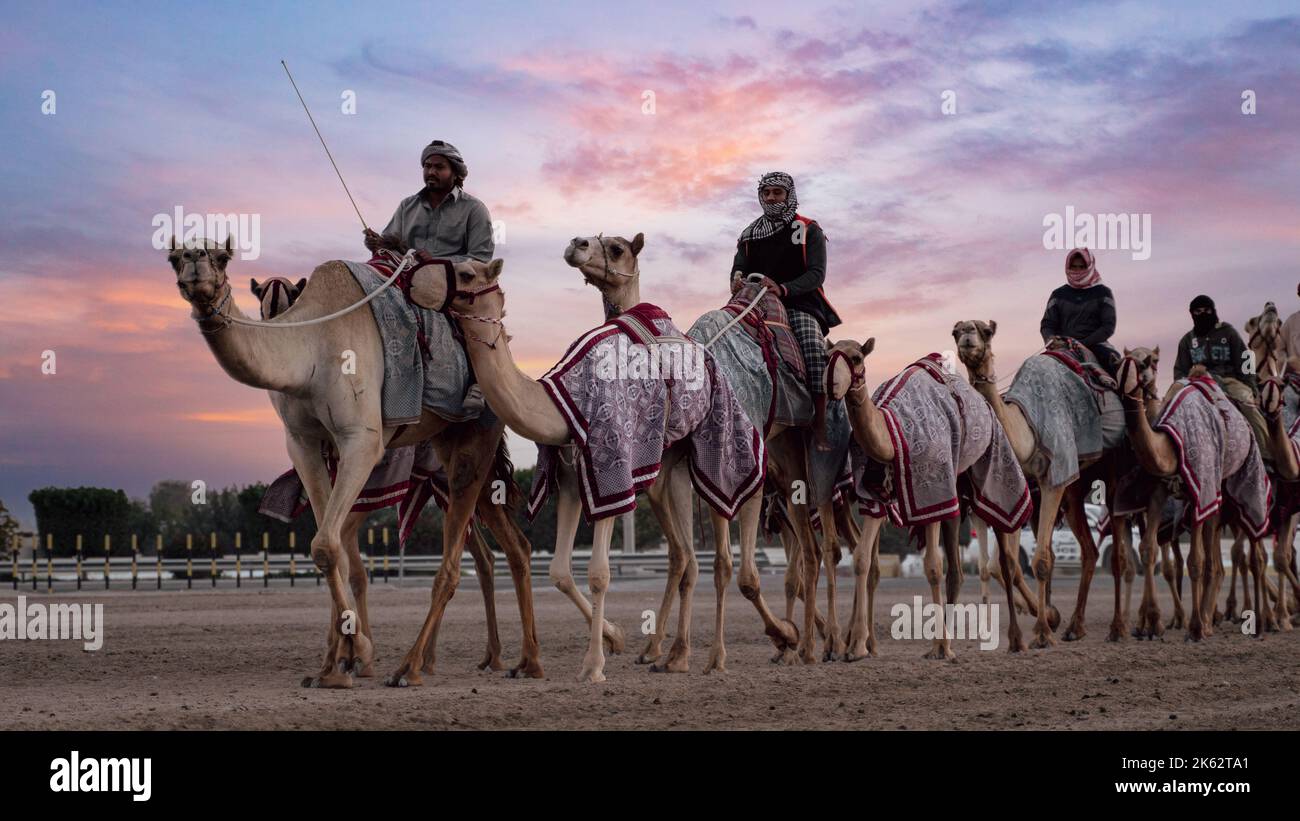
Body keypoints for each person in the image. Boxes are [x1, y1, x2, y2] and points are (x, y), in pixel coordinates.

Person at [365, 139, 494, 411]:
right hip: (407, 280)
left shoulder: (474, 209)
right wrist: (378, 243)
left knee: (477, 326)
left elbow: (481, 258)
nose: (430, 172)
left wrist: (438, 262)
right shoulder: (407, 206)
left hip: (455, 284)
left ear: (456, 173)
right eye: (426, 166)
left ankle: (481, 384)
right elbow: (392, 242)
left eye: (439, 167)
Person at [731, 171, 842, 450]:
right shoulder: (749, 234)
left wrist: (782, 288)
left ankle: (819, 426)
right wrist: (736, 278)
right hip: (756, 302)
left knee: (813, 349)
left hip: (798, 303)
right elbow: (739, 266)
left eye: (777, 193)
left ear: (789, 195)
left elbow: (817, 274)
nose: (771, 198)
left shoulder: (808, 229)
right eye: (766, 193)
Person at [1174, 294, 1268, 453]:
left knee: (1249, 406)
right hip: (1197, 382)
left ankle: (1265, 455)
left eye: (1207, 310)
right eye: (1198, 312)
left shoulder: (1228, 332)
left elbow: (1246, 360)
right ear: (1192, 314)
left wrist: (1252, 389)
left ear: (1213, 310)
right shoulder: (1187, 340)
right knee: (1174, 407)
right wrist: (1187, 379)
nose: (1203, 314)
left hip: (1229, 381)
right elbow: (1179, 371)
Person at [1039, 247, 1120, 374]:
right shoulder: (1058, 294)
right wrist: (1051, 340)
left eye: (1081, 267)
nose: (1077, 270)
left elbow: (1108, 327)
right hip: (1063, 347)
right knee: (1038, 369)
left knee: (1119, 371)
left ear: (1089, 266)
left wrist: (1081, 344)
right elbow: (1047, 324)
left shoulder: (1103, 293)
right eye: (1074, 267)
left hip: (1096, 346)